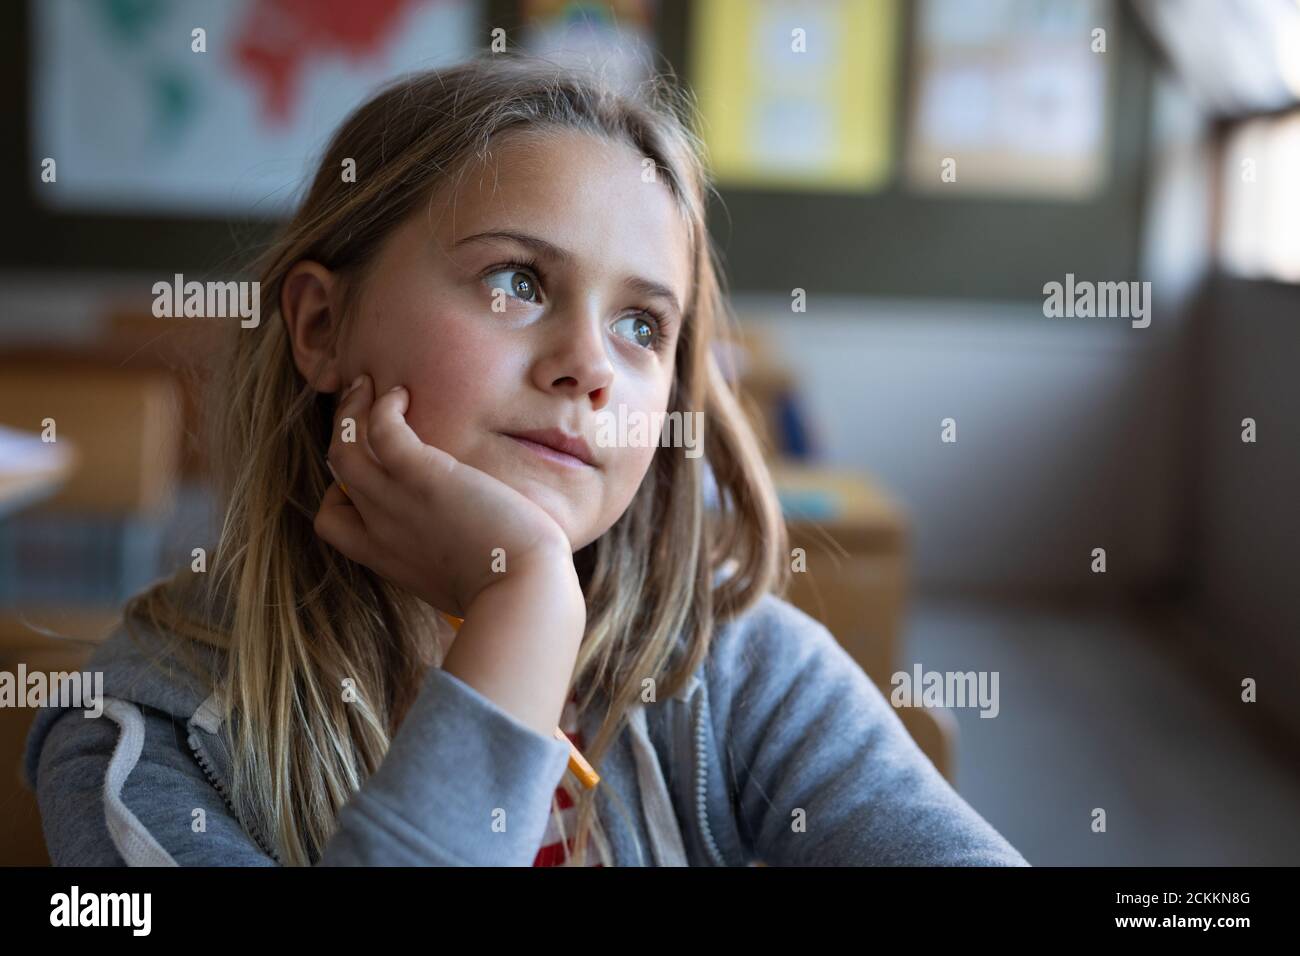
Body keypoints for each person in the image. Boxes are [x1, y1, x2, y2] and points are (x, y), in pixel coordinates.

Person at [24, 54, 1028, 867]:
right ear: (322, 325)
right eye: (516, 279)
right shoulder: (145, 730)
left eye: (642, 323)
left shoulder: (732, 669)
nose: (589, 364)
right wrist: (522, 609)